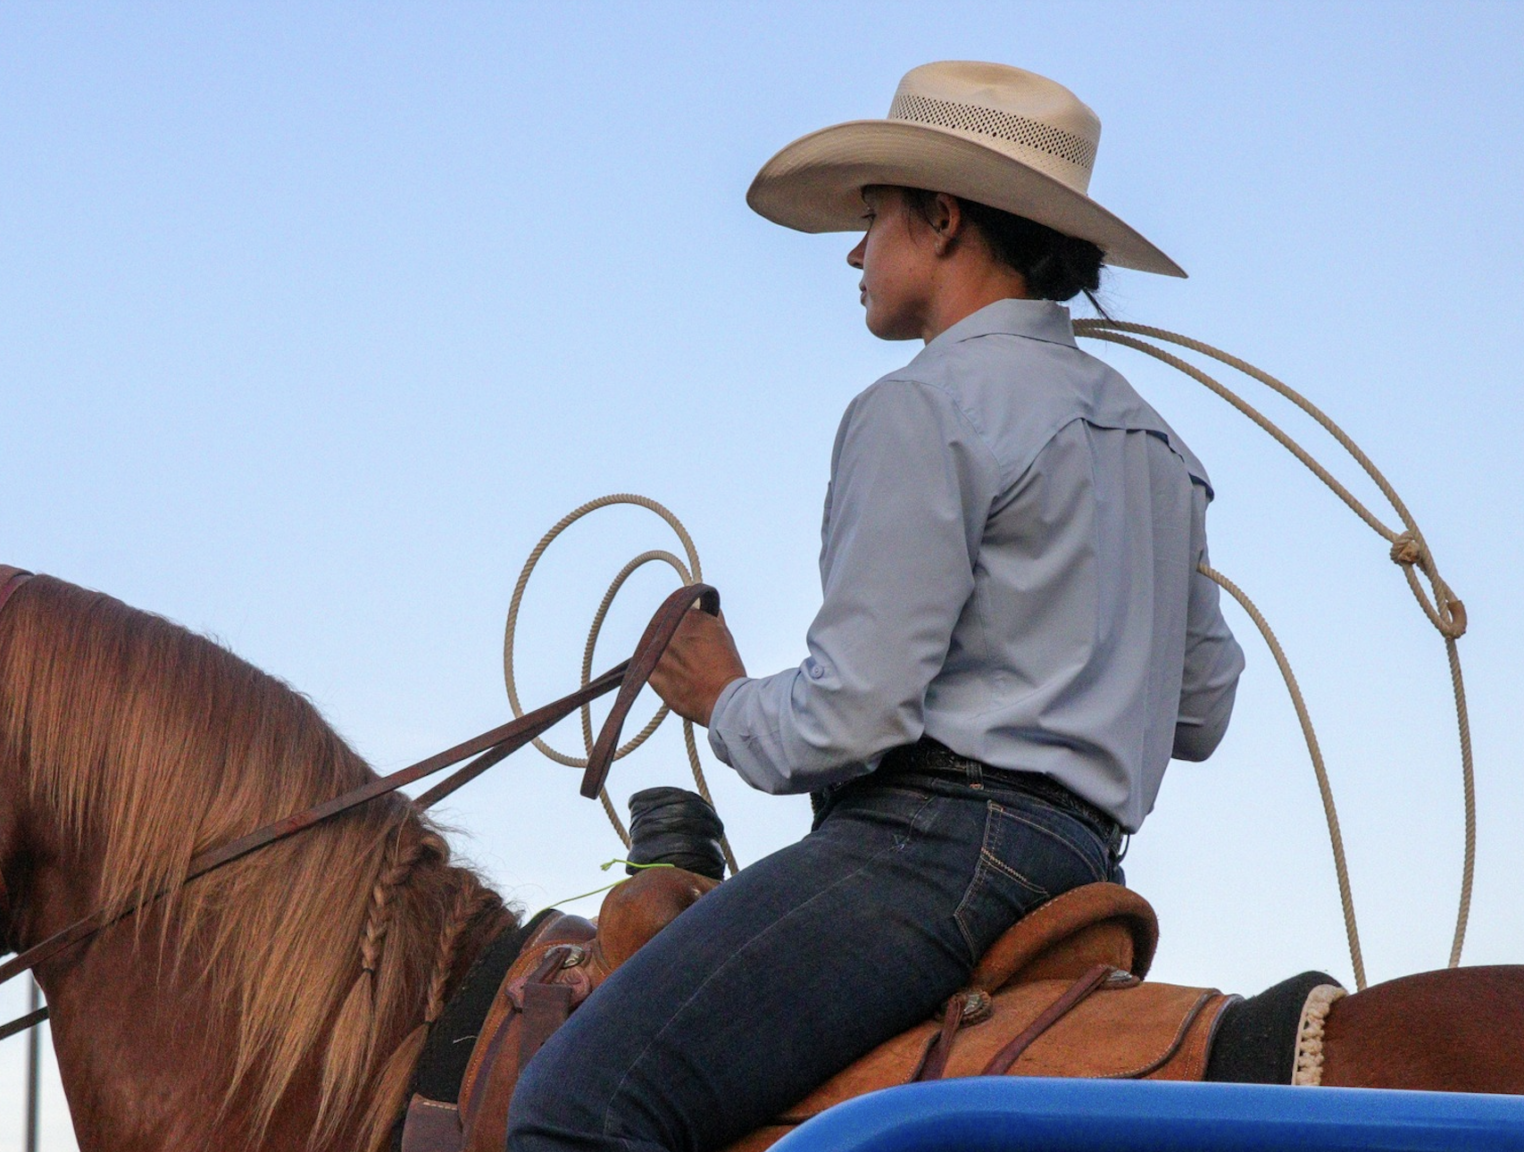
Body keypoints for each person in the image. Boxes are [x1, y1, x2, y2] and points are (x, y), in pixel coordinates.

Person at [507, 61, 1245, 1152]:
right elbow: (1198, 715)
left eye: (874, 218)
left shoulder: (920, 406)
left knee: (574, 1109)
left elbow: (853, 717)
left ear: (941, 220)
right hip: (1079, 868)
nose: (854, 253)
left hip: (927, 854)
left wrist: (722, 698)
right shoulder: (1157, 447)